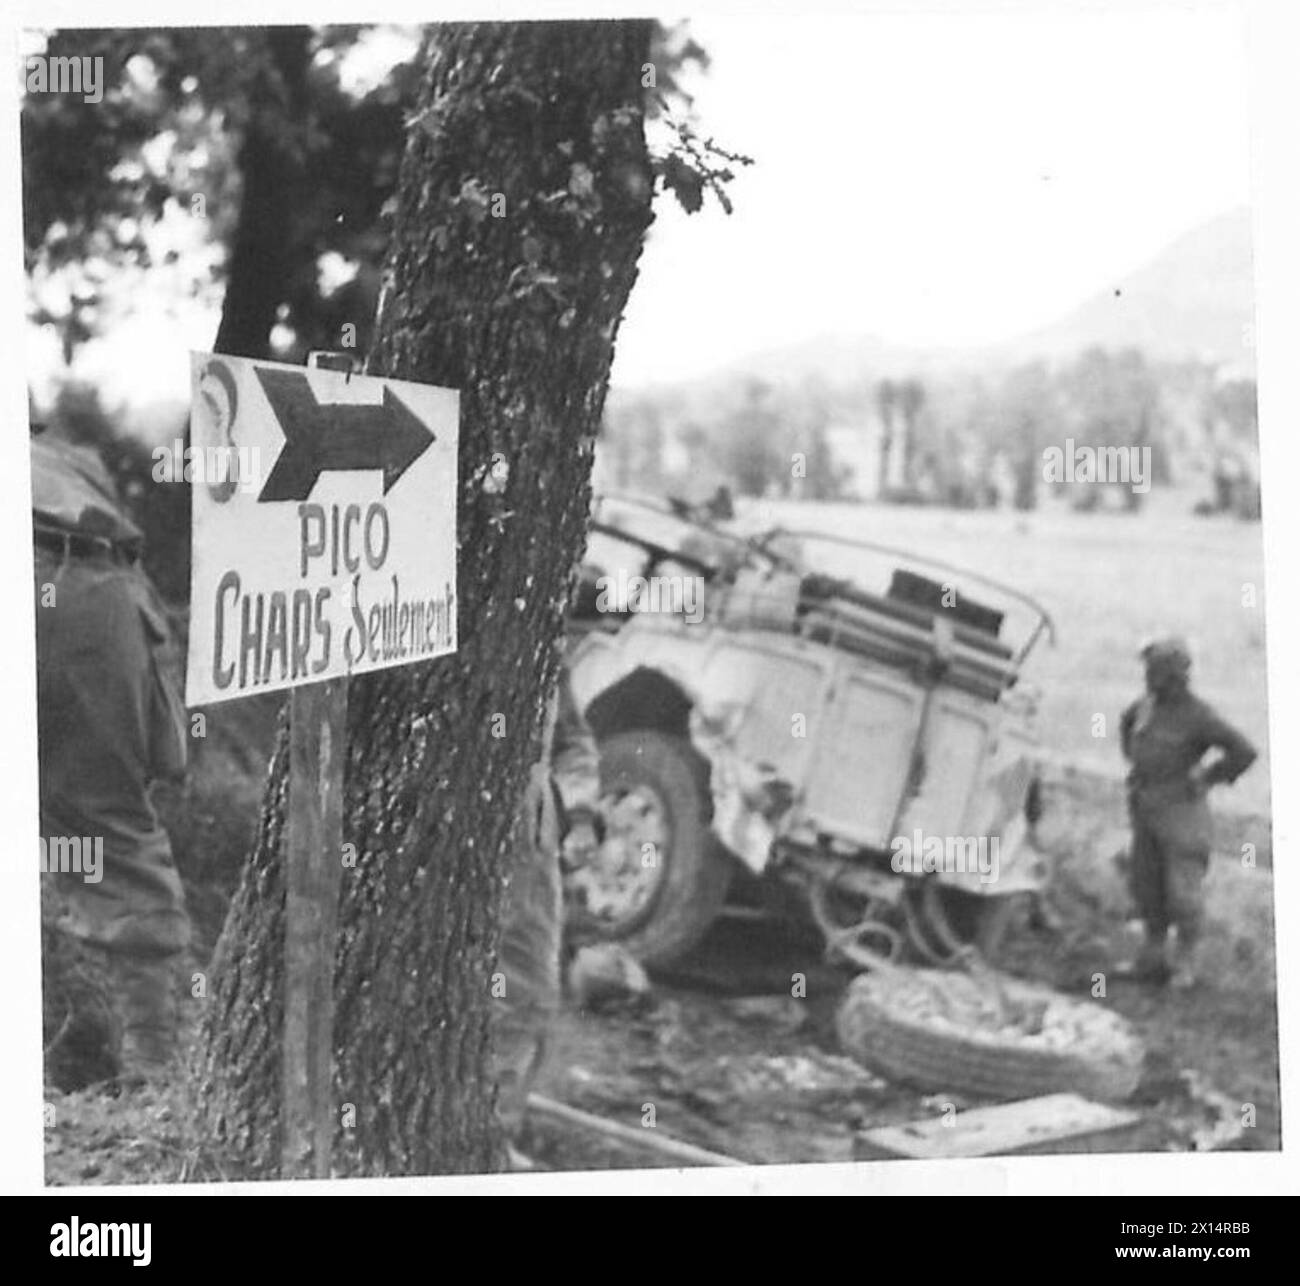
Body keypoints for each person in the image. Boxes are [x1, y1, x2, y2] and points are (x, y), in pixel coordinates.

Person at [34, 429, 192, 1085]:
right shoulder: (69, 457)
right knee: (115, 827)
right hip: (101, 592)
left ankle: (136, 1058)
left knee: (105, 825)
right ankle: (150, 1059)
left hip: (70, 584)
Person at [493, 662, 601, 1149]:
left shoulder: (534, 633)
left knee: (525, 992)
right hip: (424, 826)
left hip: (523, 834)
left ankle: (490, 1140)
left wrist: (578, 814)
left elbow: (571, 742)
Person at [1117, 636, 1256, 988]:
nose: (1149, 677)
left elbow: (1243, 751)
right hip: (1146, 810)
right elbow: (1126, 726)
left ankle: (1185, 964)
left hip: (1182, 816)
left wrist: (1208, 777)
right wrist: (1139, 768)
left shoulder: (1199, 716)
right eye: (1148, 670)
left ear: (1176, 674)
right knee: (1146, 886)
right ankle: (1151, 958)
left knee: (1183, 894)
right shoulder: (1144, 708)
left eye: (1156, 670)